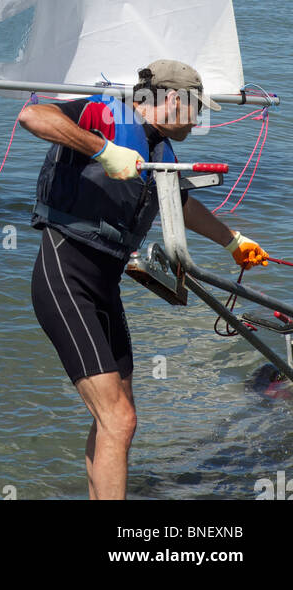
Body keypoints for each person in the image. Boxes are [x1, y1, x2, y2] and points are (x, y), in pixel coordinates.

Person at [19, 59, 271, 502]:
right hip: (67, 275)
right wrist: (101, 150)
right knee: (118, 419)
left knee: (118, 418)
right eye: (195, 109)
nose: (197, 120)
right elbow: (34, 115)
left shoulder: (161, 152)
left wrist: (233, 242)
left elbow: (182, 206)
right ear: (172, 100)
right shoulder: (107, 113)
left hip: (104, 287)